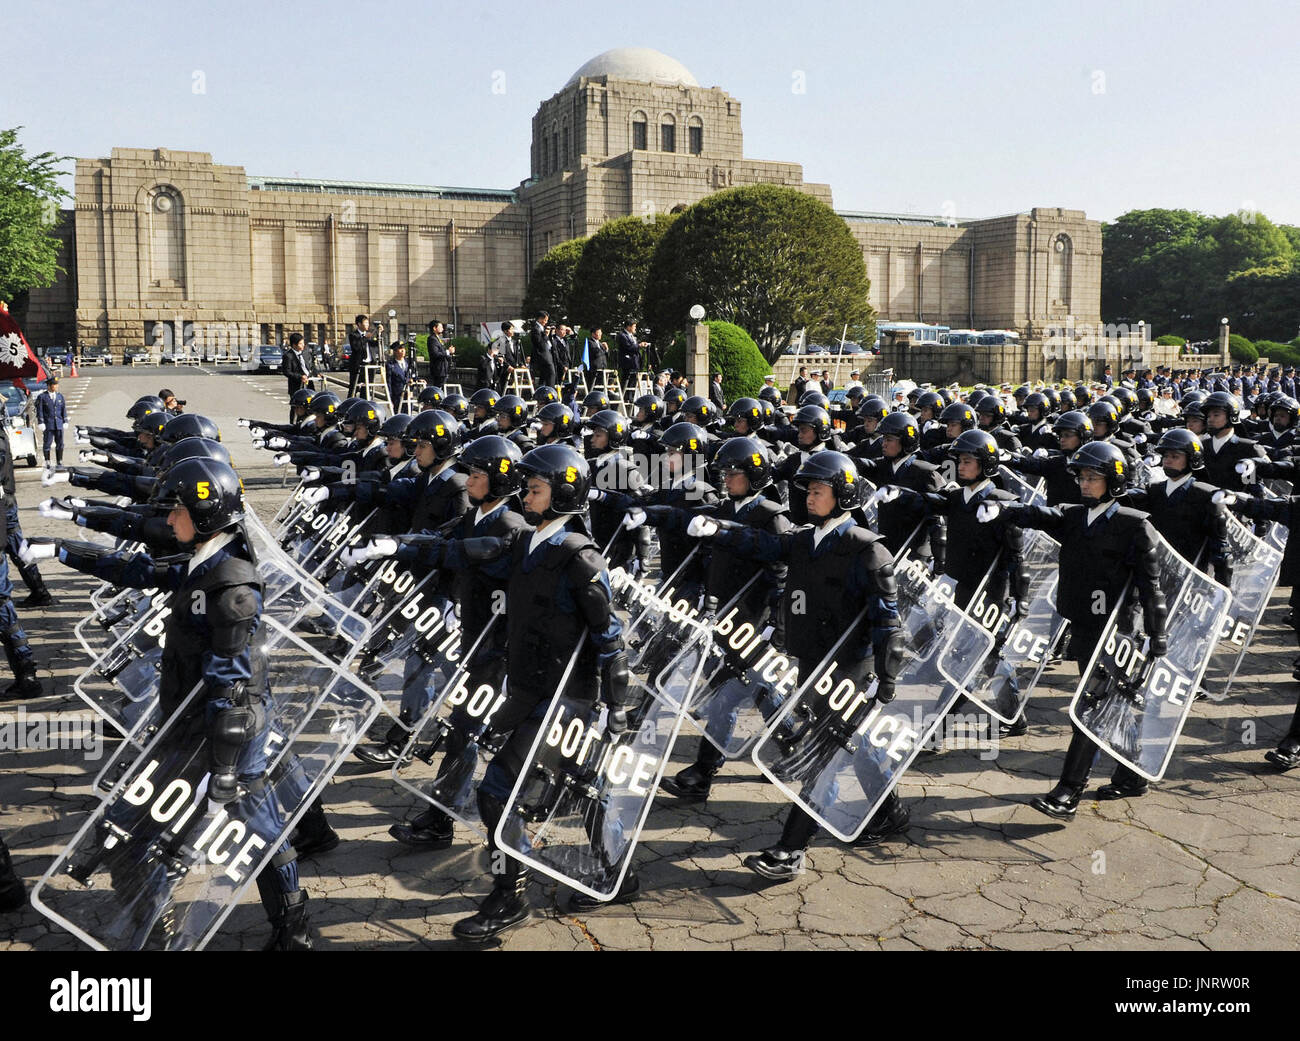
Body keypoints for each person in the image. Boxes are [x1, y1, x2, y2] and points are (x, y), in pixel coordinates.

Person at [24, 459, 314, 947]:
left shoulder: (233, 587)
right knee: (153, 814)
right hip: (190, 717)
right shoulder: (204, 562)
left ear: (203, 514)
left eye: (178, 508)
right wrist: (63, 549)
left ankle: (293, 927)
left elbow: (232, 683)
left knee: (256, 826)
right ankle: (150, 919)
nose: (169, 518)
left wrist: (224, 767)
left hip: (227, 730)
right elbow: (136, 568)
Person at [682, 452, 907, 879]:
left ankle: (791, 850)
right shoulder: (805, 539)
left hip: (849, 670)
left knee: (821, 755)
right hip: (812, 662)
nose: (808, 498)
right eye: (806, 491)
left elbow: (888, 621)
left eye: (818, 491)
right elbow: (762, 543)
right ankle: (889, 812)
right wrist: (719, 528)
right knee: (852, 744)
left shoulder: (867, 549)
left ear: (842, 494)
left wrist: (886, 677)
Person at [976, 441, 1168, 819]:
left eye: (1092, 477)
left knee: (1090, 707)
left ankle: (1068, 791)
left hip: (1116, 631)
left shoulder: (1134, 524)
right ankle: (1131, 775)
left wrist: (1157, 634)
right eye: (1081, 476)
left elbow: (1152, 586)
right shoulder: (1075, 515)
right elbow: (1039, 514)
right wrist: (1003, 509)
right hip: (1082, 624)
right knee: (1117, 704)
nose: (1084, 483)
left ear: (1113, 481)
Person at [36, 376, 68, 466]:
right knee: (47, 444)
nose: (56, 386)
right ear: (49, 386)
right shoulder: (42, 397)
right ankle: (47, 461)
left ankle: (59, 461)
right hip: (48, 424)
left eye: (56, 385)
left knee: (60, 443)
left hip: (59, 424)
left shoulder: (60, 396)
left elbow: (63, 409)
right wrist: (41, 422)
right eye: (54, 385)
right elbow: (40, 411)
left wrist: (65, 420)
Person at [347, 314, 379, 398]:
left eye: (368, 323)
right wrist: (365, 338)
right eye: (365, 323)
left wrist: (379, 334)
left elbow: (376, 344)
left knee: (368, 388)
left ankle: (365, 404)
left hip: (370, 365)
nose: (368, 325)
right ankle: (349, 405)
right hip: (358, 365)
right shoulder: (353, 335)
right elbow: (356, 347)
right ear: (359, 324)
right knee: (354, 387)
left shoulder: (369, 334)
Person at [281, 333, 311, 400]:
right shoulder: (288, 356)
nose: (303, 345)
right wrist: (300, 377)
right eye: (300, 343)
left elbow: (310, 366)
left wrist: (317, 373)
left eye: (303, 343)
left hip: (309, 384)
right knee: (297, 408)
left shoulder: (305, 352)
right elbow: (287, 372)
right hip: (296, 387)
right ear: (294, 345)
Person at [386, 343, 412, 413]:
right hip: (397, 396)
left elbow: (412, 376)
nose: (403, 351)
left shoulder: (409, 363)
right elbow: (389, 383)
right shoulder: (390, 365)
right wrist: (389, 399)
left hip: (408, 395)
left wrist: (418, 380)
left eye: (403, 349)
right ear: (395, 351)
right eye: (400, 349)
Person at [616, 320, 642, 385]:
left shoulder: (632, 336)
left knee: (633, 383)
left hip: (634, 362)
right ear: (628, 327)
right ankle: (625, 395)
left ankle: (631, 395)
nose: (635, 328)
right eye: (634, 326)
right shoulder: (622, 335)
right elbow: (628, 347)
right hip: (627, 362)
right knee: (626, 382)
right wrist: (639, 345)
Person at [426, 320, 450, 388]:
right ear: (434, 328)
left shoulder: (438, 338)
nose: (442, 328)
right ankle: (437, 398)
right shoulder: (432, 339)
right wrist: (448, 352)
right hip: (438, 370)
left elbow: (442, 352)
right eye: (441, 327)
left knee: (441, 388)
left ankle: (440, 398)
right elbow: (435, 353)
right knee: (438, 389)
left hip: (443, 369)